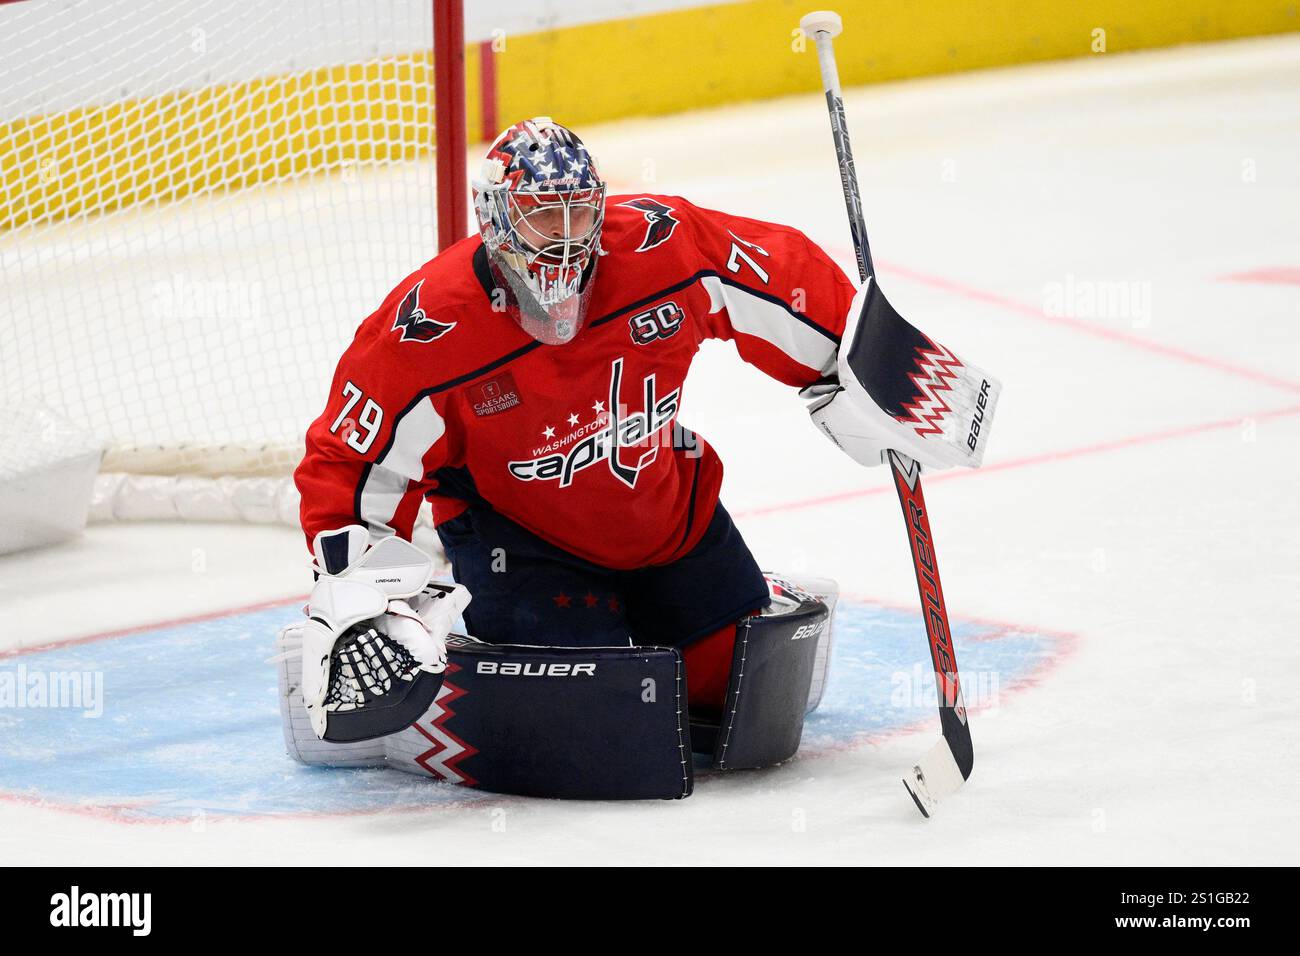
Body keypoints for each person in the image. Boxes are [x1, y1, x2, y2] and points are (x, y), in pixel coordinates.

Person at [290, 117, 996, 735]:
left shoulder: (661, 247)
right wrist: (360, 600)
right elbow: (346, 466)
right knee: (591, 719)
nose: (567, 239)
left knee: (745, 699)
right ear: (497, 220)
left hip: (658, 508)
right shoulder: (427, 327)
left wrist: (871, 366)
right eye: (542, 216)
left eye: (579, 213)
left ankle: (758, 592)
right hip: (518, 534)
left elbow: (780, 275)